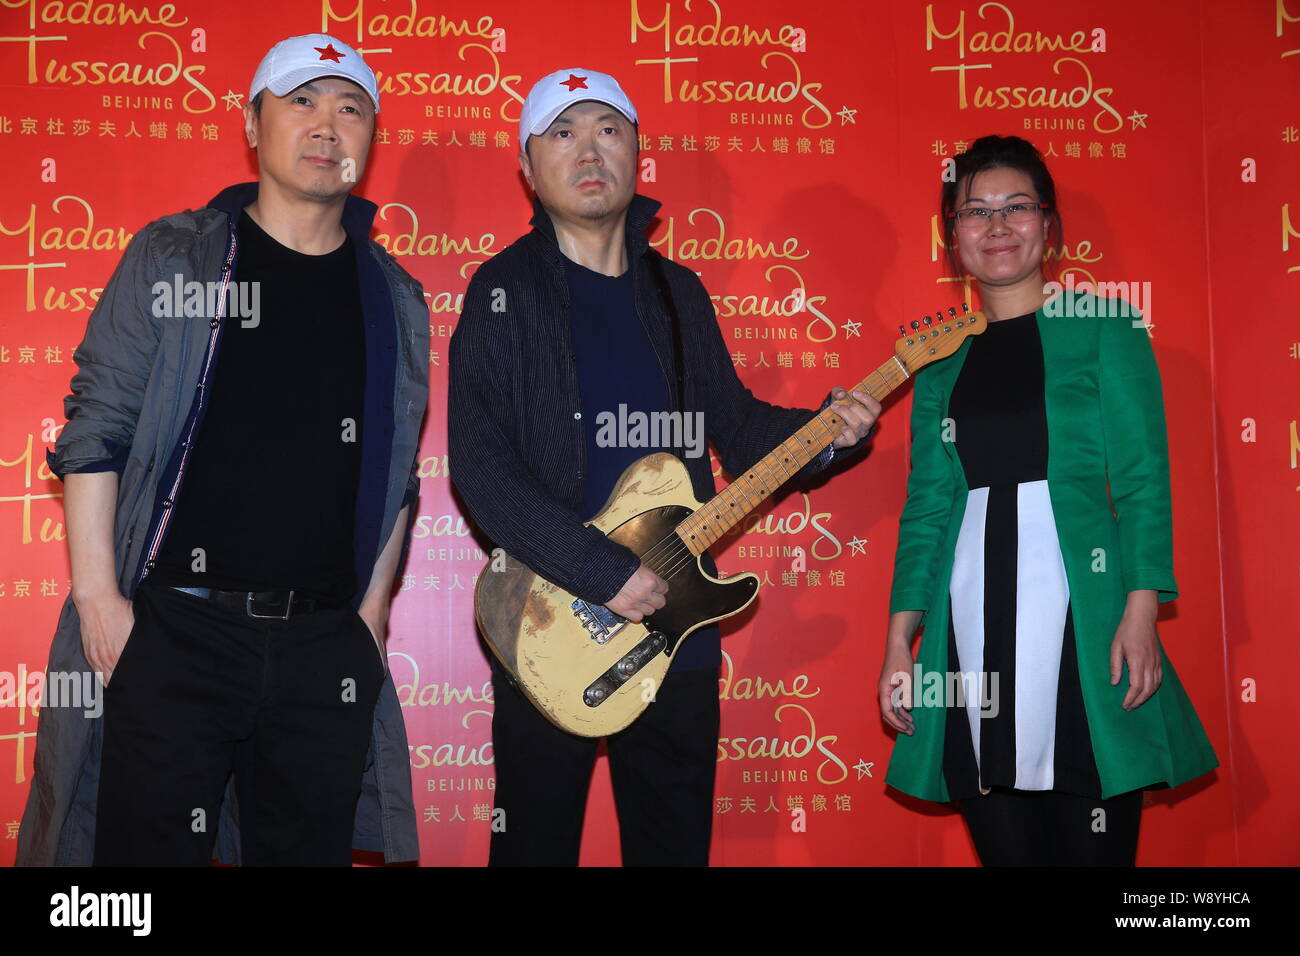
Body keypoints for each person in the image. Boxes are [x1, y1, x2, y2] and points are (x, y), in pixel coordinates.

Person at [449, 68, 881, 866]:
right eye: (563, 131)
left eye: (608, 129)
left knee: (674, 848)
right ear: (527, 164)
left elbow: (743, 430)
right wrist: (599, 568)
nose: (588, 150)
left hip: (678, 629)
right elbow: (479, 466)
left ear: (638, 154)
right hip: (548, 626)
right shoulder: (501, 290)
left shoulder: (678, 292)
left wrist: (831, 433)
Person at [17, 33, 427, 866]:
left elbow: (395, 476)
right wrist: (99, 597)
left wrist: (371, 617)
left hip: (321, 648)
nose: (326, 125)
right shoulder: (177, 255)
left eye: (350, 108)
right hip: (175, 630)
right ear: (252, 124)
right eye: (301, 101)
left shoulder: (393, 295)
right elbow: (97, 427)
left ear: (369, 140)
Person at [877, 134, 1217, 866]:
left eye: (1017, 207)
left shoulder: (1104, 329)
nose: (997, 226)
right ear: (953, 236)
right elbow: (929, 510)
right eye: (975, 211)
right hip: (968, 630)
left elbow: (1141, 479)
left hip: (1083, 625)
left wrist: (1141, 608)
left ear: (1050, 226)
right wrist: (900, 642)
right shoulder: (939, 364)